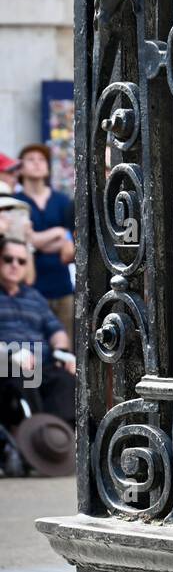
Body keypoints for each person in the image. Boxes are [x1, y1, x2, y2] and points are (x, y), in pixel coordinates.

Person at [0, 233, 76, 475]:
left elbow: (55, 330)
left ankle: (54, 445)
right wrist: (10, 354)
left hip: (40, 362)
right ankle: (29, 445)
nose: (15, 265)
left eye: (21, 261)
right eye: (8, 259)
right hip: (7, 363)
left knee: (66, 381)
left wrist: (64, 353)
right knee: (24, 376)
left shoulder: (35, 298)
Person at [14, 144, 76, 344]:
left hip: (62, 286)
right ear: (21, 168)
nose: (37, 163)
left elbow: (69, 247)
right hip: (29, 287)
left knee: (65, 347)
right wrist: (57, 233)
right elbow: (22, 239)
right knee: (33, 347)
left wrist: (35, 240)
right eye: (31, 159)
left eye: (41, 160)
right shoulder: (16, 202)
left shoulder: (61, 201)